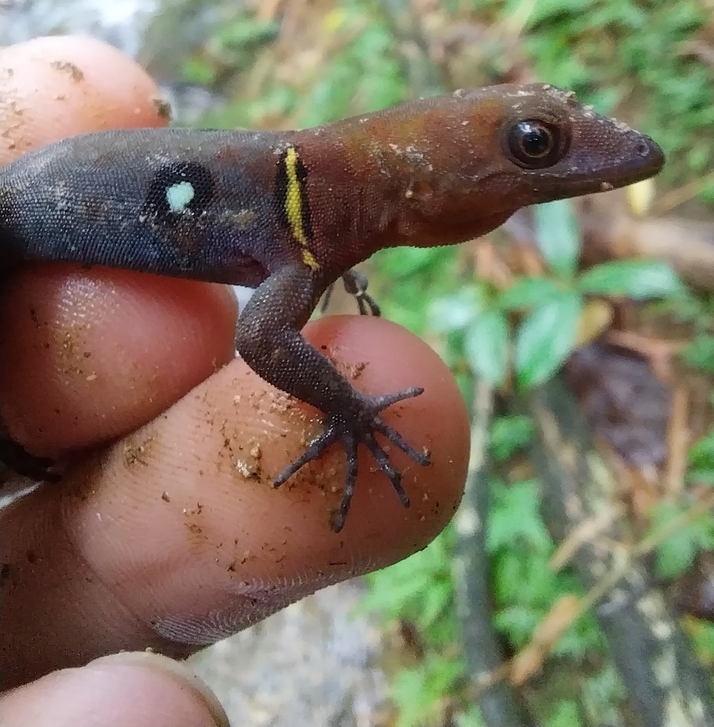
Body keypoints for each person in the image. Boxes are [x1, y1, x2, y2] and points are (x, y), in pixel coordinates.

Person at [0, 36, 469, 727]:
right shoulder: (311, 216)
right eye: (534, 145)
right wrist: (347, 408)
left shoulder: (319, 212)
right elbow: (260, 338)